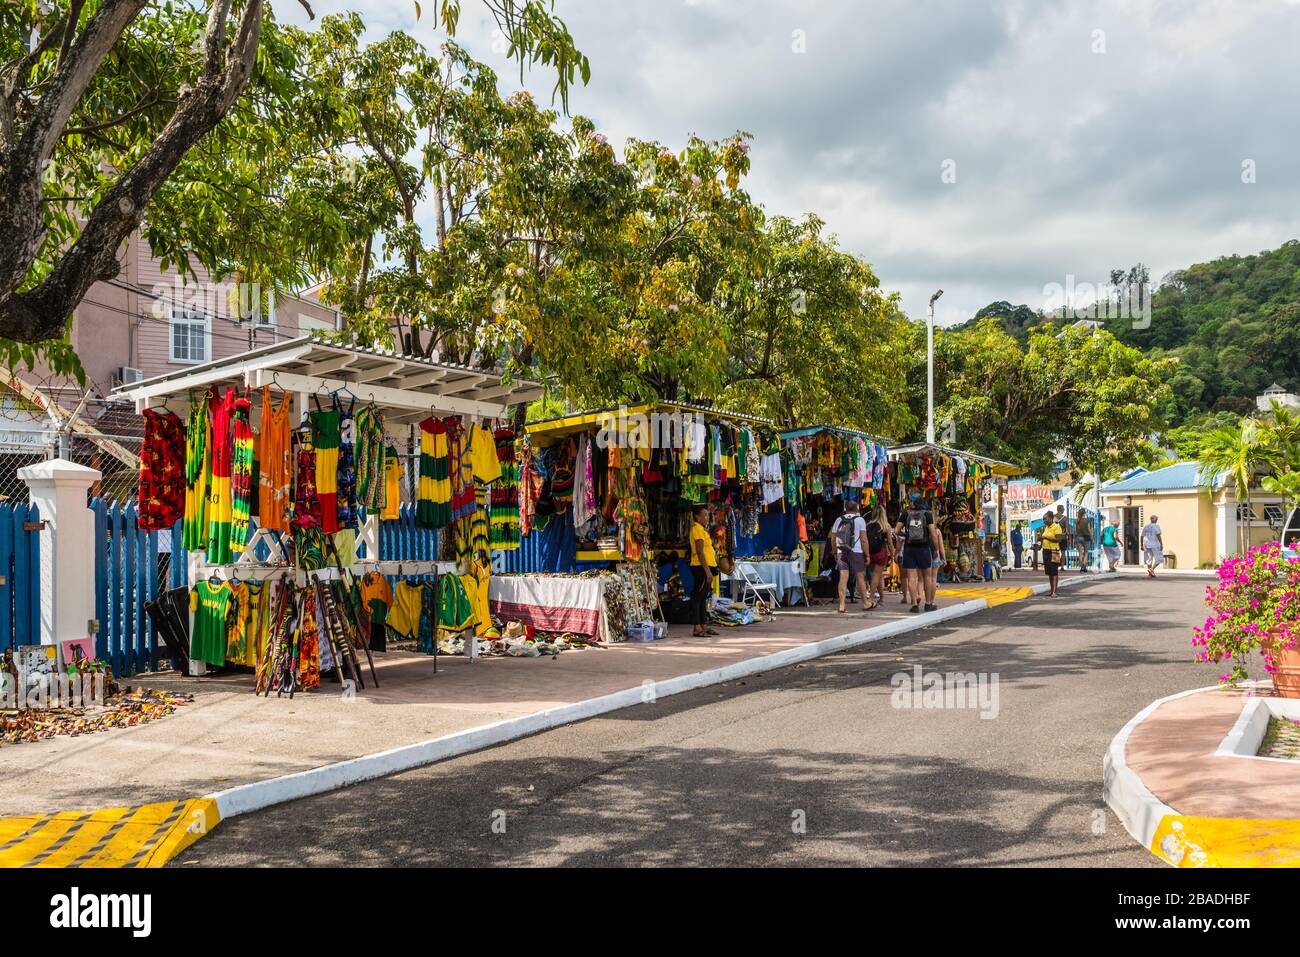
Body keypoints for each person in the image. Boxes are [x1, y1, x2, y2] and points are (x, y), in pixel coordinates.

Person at [896, 493, 944, 613]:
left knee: (912, 577)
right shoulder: (927, 514)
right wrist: (936, 549)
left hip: (909, 548)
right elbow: (933, 533)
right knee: (927, 576)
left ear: (912, 502)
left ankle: (914, 605)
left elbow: (896, 530)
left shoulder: (905, 514)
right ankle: (928, 603)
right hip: (924, 548)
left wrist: (906, 535)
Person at [829, 499, 871, 614]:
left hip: (841, 551)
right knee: (860, 577)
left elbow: (833, 539)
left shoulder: (838, 520)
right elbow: (863, 540)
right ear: (857, 509)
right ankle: (865, 603)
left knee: (843, 577)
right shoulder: (860, 520)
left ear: (845, 509)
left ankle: (842, 605)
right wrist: (867, 555)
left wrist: (834, 552)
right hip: (856, 551)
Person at [688, 504, 719, 637]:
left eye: (707, 514)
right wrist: (707, 571)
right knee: (697, 597)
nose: (707, 517)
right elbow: (700, 552)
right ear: (697, 517)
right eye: (704, 515)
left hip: (706, 567)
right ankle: (697, 627)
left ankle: (704, 625)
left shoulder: (703, 529)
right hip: (700, 567)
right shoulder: (697, 529)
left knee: (703, 598)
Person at [865, 503, 894, 610]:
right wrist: (893, 554)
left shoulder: (868, 525)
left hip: (870, 553)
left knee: (877, 576)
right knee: (877, 576)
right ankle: (871, 598)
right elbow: (890, 543)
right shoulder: (886, 526)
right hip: (880, 553)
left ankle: (881, 598)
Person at [1041, 509, 1064, 596]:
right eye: (1043, 519)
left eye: (1045, 519)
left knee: (1054, 571)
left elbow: (1059, 539)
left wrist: (1046, 538)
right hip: (1046, 550)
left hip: (1054, 551)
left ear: (1050, 518)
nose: (1044, 521)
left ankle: (1054, 591)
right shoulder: (1046, 527)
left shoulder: (1057, 527)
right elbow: (1044, 538)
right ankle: (1051, 591)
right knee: (1049, 572)